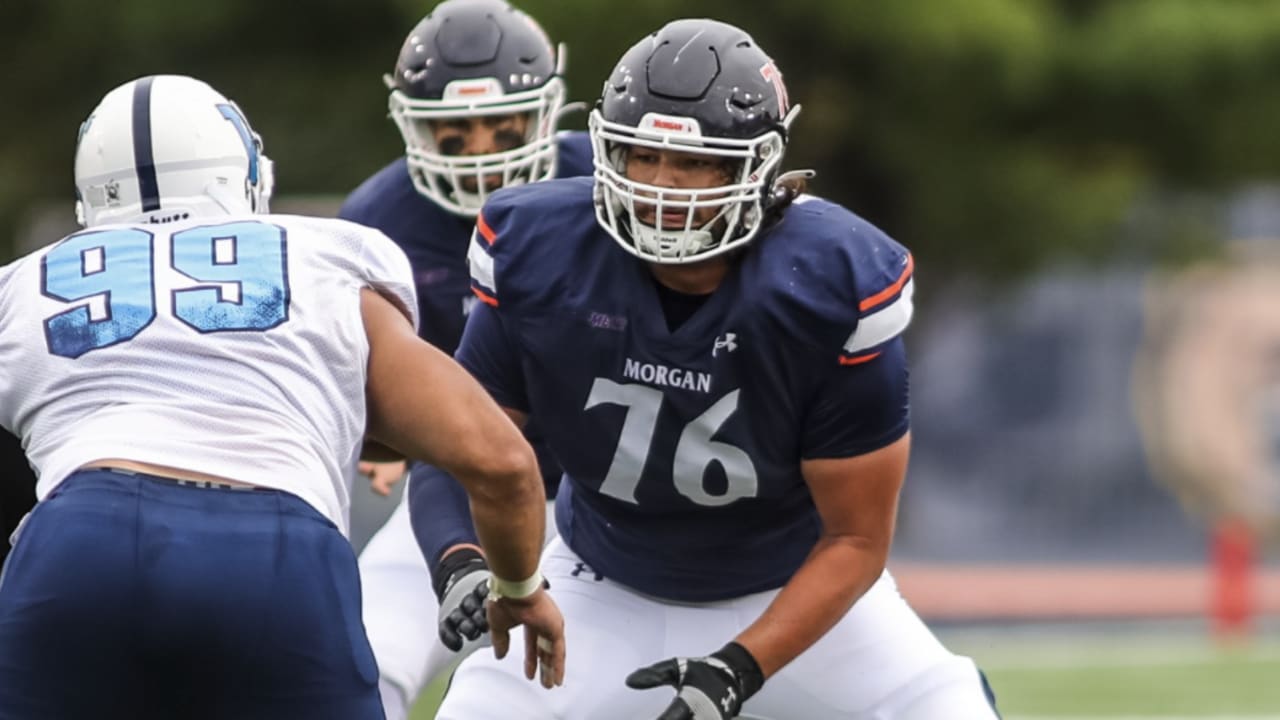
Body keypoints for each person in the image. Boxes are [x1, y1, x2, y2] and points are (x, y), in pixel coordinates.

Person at [422, 18, 1003, 720]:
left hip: (788, 590)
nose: (663, 186)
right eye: (642, 156)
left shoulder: (828, 285)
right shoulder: (542, 254)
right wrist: (462, 560)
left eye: (695, 162)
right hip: (600, 580)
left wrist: (739, 666)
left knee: (948, 708)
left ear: (754, 168)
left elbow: (856, 540)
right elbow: (457, 447)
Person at [0, 73, 564, 720]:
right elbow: (502, 461)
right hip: (271, 548)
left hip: (78, 546)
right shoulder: (326, 255)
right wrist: (519, 587)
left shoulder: (22, 286)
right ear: (245, 172)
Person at [337, 0, 591, 716]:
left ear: (544, 112)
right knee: (366, 659)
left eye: (501, 124)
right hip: (455, 477)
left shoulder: (602, 188)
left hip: (602, 484)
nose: (482, 149)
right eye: (456, 133)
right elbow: (360, 366)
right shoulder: (376, 223)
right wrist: (386, 426)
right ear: (413, 125)